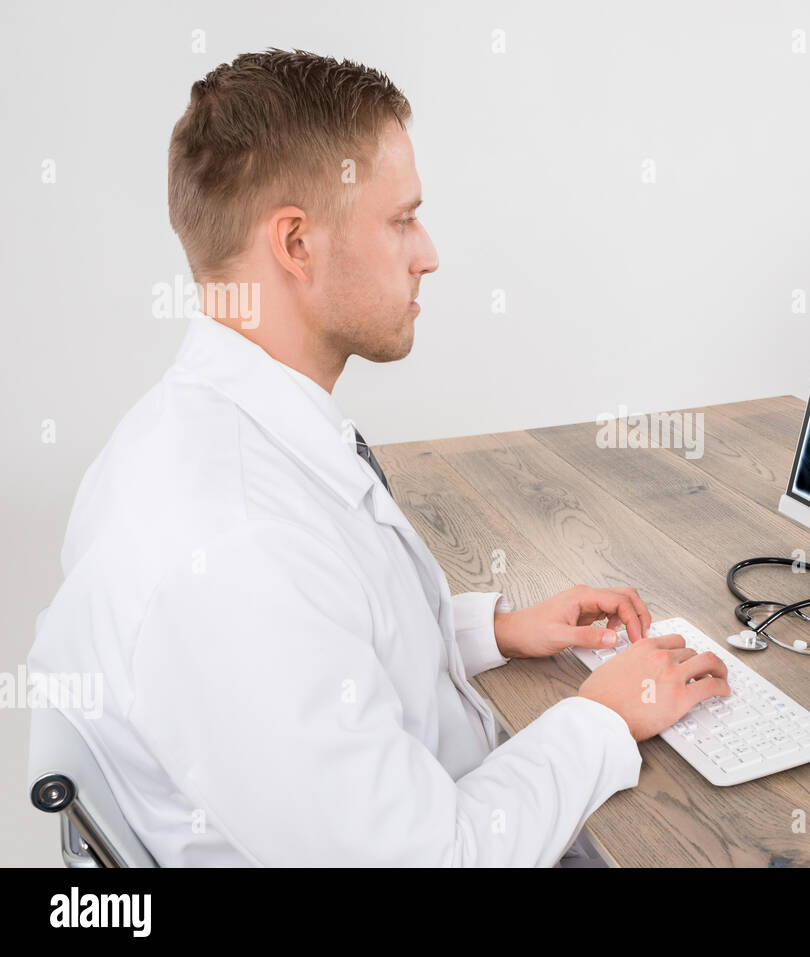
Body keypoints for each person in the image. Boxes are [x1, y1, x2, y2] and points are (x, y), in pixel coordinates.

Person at [27, 48, 730, 866]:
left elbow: (331, 644)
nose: (427, 251)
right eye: (401, 220)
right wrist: (605, 715)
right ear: (296, 243)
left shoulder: (195, 431)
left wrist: (492, 631)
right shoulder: (230, 548)